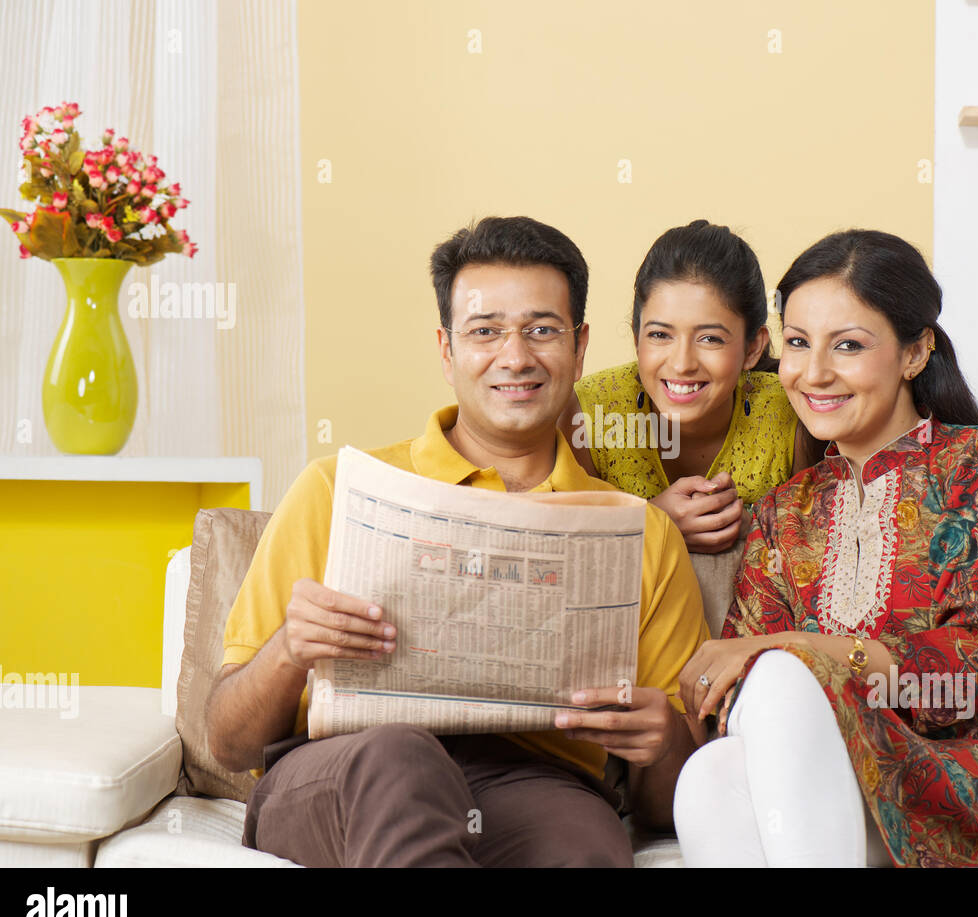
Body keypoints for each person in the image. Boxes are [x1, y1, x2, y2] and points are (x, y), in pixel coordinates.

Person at [205, 215, 709, 867]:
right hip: (348, 767)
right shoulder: (337, 488)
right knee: (401, 760)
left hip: (533, 782)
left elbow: (664, 807)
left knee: (586, 840)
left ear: (579, 348)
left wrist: (663, 737)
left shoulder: (638, 531)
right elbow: (228, 742)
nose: (516, 356)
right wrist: (289, 650)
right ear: (446, 350)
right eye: (485, 331)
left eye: (542, 330)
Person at [671, 229, 978, 867]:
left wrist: (794, 650)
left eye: (848, 346)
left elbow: (963, 677)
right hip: (841, 779)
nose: (814, 374)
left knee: (782, 671)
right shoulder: (787, 512)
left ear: (915, 351)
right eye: (796, 343)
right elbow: (737, 695)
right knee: (709, 779)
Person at [561, 220, 823, 554]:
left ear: (753, 348)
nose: (682, 363)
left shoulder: (791, 410)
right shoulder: (588, 410)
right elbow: (565, 548)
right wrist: (649, 521)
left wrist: (755, 528)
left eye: (710, 338)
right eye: (659, 335)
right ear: (636, 339)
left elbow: (818, 549)